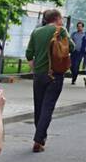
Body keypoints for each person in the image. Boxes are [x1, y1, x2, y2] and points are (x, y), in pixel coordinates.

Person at [24, 9, 69, 153]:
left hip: (39, 75)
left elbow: (29, 54)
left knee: (39, 106)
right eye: (61, 18)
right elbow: (72, 47)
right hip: (55, 75)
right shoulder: (60, 30)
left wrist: (35, 70)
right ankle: (38, 139)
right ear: (56, 19)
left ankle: (40, 138)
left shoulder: (36, 32)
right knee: (47, 108)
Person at [68, 21, 86, 85]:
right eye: (78, 26)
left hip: (80, 52)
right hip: (73, 51)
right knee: (71, 65)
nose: (79, 28)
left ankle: (74, 79)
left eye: (80, 26)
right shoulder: (74, 34)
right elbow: (70, 41)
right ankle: (74, 74)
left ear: (83, 27)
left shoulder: (85, 34)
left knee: (76, 65)